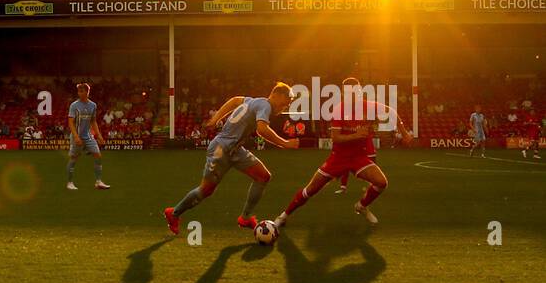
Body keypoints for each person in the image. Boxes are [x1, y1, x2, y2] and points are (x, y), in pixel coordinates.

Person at [274, 77, 412, 229]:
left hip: (359, 157)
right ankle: (283, 216)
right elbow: (336, 138)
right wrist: (357, 135)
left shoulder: (369, 106)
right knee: (310, 190)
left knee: (381, 182)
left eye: (357, 91)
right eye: (352, 92)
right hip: (338, 158)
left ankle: (361, 206)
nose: (355, 94)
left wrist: (404, 133)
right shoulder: (339, 109)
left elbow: (391, 111)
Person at [163, 82, 297, 235]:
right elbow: (262, 130)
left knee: (263, 176)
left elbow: (234, 100)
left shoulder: (252, 101)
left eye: (288, 104)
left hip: (235, 150)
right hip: (221, 150)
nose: (286, 106)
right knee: (205, 190)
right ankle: (173, 213)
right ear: (275, 95)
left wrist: (216, 118)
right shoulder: (265, 106)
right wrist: (285, 143)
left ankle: (245, 218)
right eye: (285, 101)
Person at [66, 82, 111, 191]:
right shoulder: (74, 105)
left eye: (82, 91)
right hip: (77, 136)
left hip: (88, 136)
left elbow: (93, 121)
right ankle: (69, 182)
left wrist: (99, 135)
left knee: (98, 155)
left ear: (87, 92)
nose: (80, 93)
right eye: (79, 91)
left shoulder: (93, 105)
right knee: (73, 159)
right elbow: (70, 122)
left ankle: (98, 182)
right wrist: (76, 136)